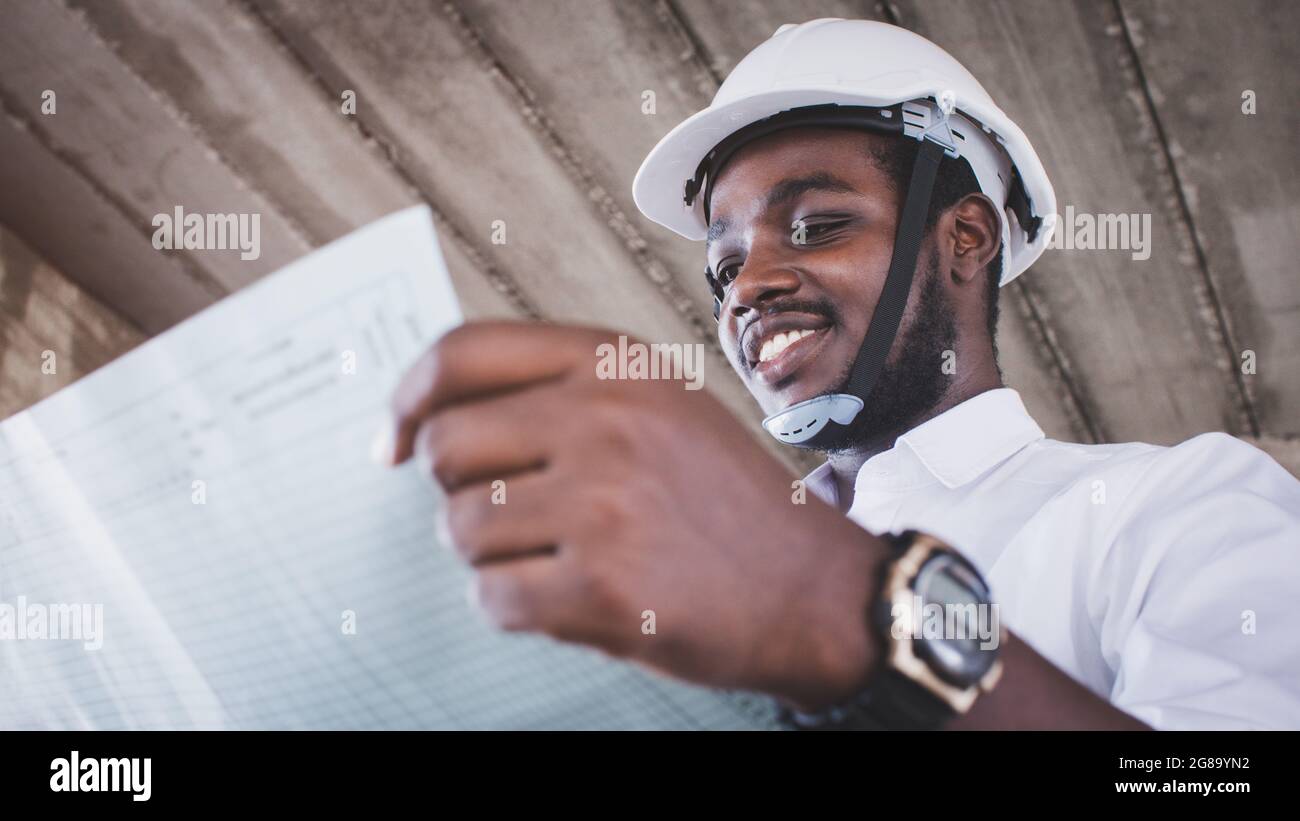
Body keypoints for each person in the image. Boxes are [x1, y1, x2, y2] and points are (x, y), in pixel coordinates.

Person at [375, 19, 1300, 729]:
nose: (750, 288)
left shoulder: (1178, 504)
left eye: (816, 225)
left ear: (966, 237)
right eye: (723, 267)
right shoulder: (681, 600)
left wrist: (845, 607)